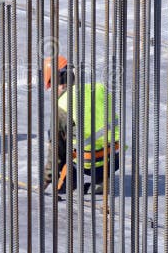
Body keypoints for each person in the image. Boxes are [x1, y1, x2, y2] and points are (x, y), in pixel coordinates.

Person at [42, 56, 121, 195]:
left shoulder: (62, 106)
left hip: (87, 162)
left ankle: (70, 184)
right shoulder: (99, 89)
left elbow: (56, 154)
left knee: (60, 139)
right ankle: (102, 181)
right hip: (113, 158)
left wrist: (46, 180)